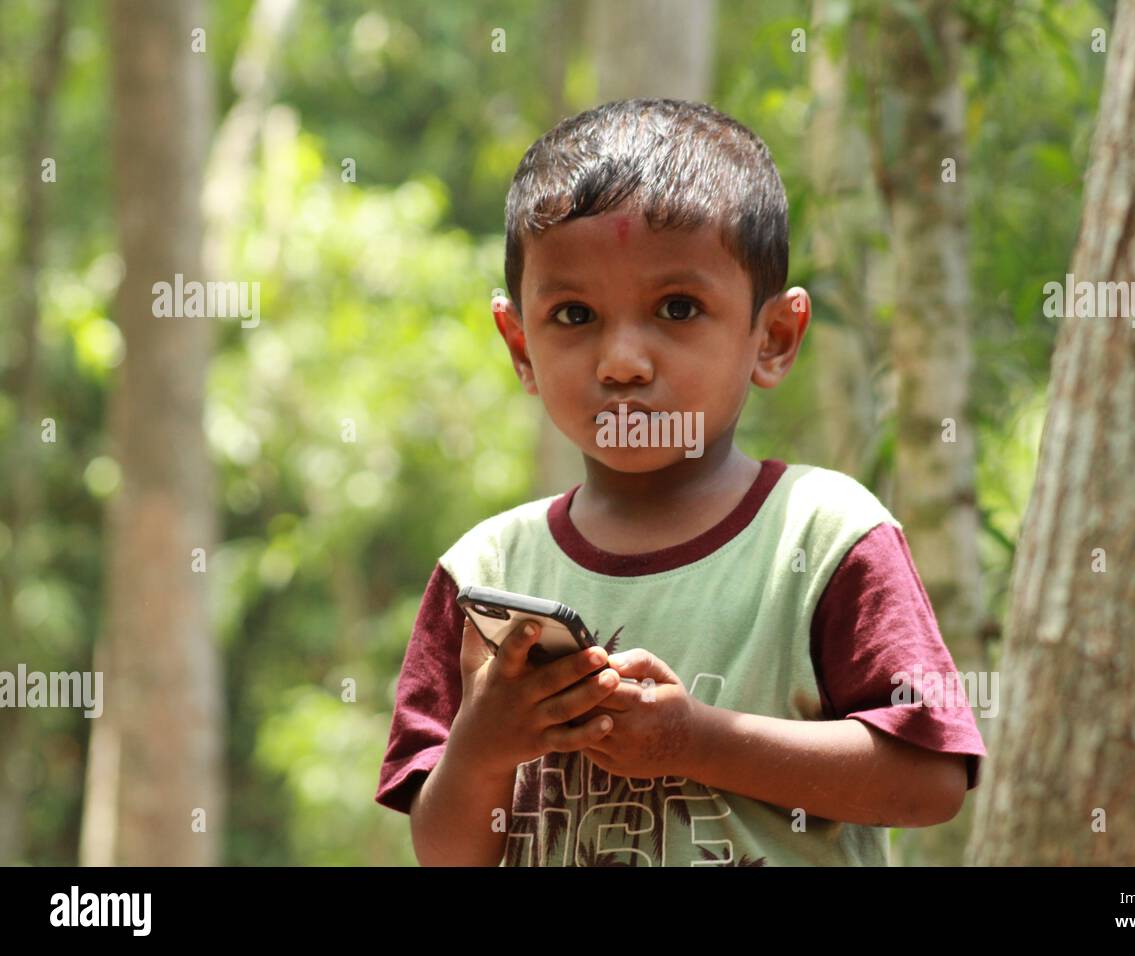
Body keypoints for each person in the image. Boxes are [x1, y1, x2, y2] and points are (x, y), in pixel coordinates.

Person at [375, 98, 986, 866]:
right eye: (573, 315)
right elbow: (445, 853)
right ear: (519, 344)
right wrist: (483, 748)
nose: (622, 360)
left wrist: (698, 741)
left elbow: (929, 781)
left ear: (774, 338)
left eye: (676, 307)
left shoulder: (824, 534)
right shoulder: (484, 575)